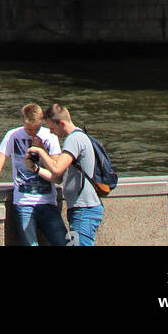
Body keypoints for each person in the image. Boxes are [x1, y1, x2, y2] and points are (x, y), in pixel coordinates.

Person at [0, 103, 68, 247]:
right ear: (23, 122)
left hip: (47, 202)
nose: (32, 132)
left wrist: (42, 150)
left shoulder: (50, 136)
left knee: (63, 242)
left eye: (36, 128)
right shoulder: (13, 135)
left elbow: (57, 171)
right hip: (23, 203)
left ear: (41, 122)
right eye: (29, 129)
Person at [28, 104, 104, 247]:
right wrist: (36, 168)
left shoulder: (74, 139)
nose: (51, 132)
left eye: (52, 128)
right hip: (81, 210)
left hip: (84, 210)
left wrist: (40, 152)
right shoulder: (78, 137)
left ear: (61, 123)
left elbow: (56, 169)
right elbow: (58, 177)